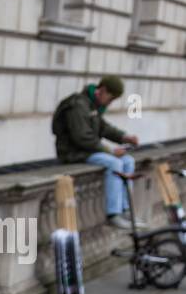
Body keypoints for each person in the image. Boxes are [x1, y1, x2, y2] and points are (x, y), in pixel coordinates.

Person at [52, 76, 141, 229]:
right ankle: (113, 214)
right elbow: (82, 137)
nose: (110, 103)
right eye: (111, 99)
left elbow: (103, 128)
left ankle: (126, 210)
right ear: (103, 91)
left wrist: (124, 137)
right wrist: (110, 151)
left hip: (87, 152)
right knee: (114, 162)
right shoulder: (78, 105)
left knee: (128, 161)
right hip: (73, 153)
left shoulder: (91, 105)